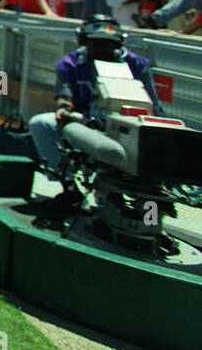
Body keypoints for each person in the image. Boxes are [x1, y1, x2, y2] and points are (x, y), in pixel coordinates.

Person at [27, 15, 160, 209]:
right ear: (83, 41)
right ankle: (69, 188)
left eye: (108, 44)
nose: (103, 49)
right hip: (86, 123)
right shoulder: (70, 63)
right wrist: (64, 110)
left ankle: (142, 200)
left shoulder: (137, 64)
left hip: (128, 126)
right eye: (96, 43)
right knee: (41, 124)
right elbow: (64, 96)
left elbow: (153, 106)